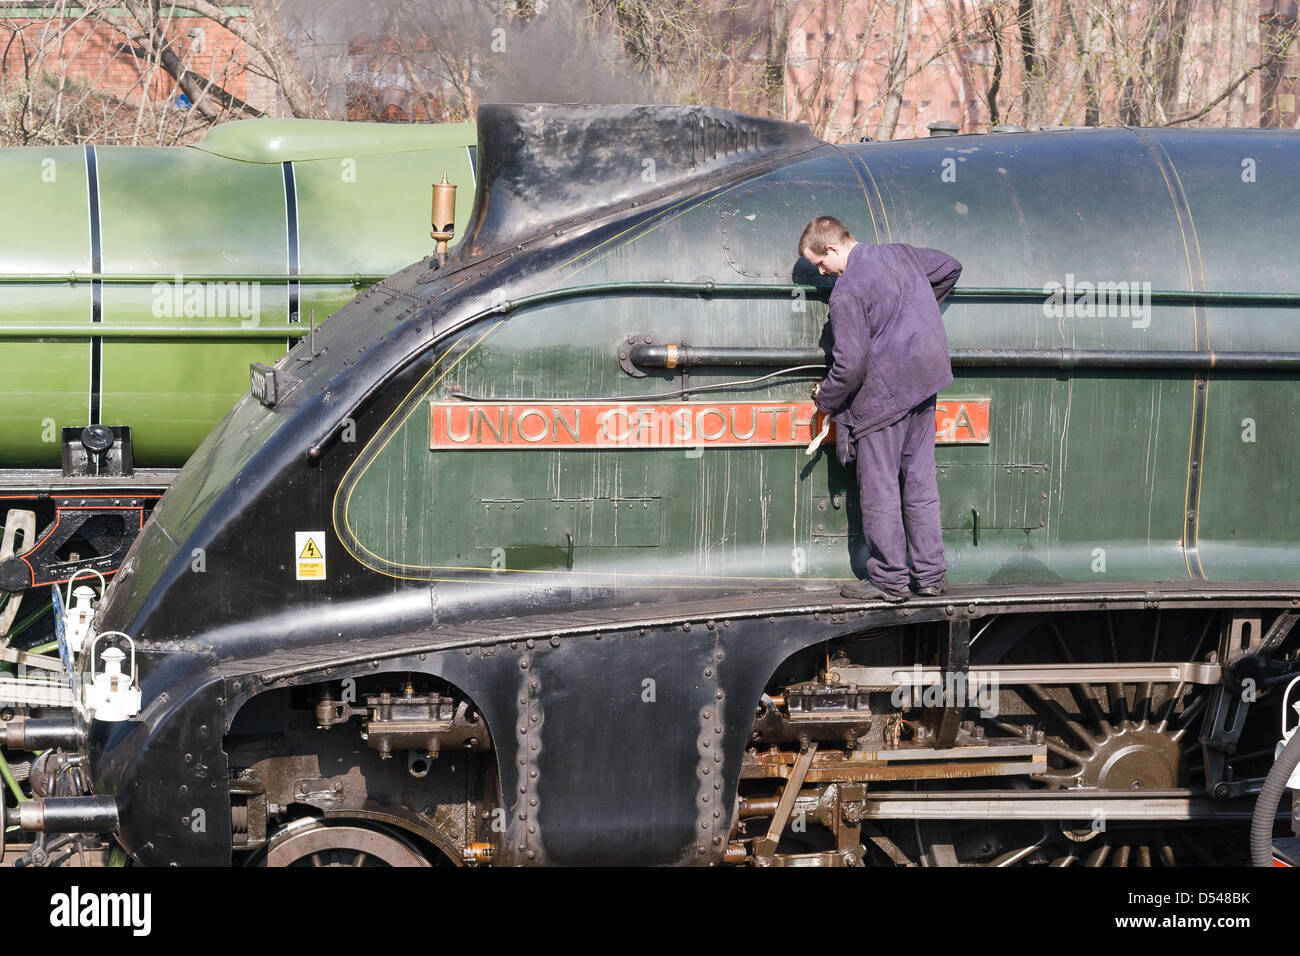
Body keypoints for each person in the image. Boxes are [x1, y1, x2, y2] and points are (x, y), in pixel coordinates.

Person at [798, 216, 962, 602]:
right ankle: (931, 576)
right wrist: (915, 310)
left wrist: (825, 400)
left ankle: (890, 580)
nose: (821, 272)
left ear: (834, 248)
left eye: (820, 264)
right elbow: (950, 267)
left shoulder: (847, 291)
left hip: (884, 396)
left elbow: (850, 365)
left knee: (880, 488)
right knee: (920, 481)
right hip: (926, 380)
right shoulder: (900, 254)